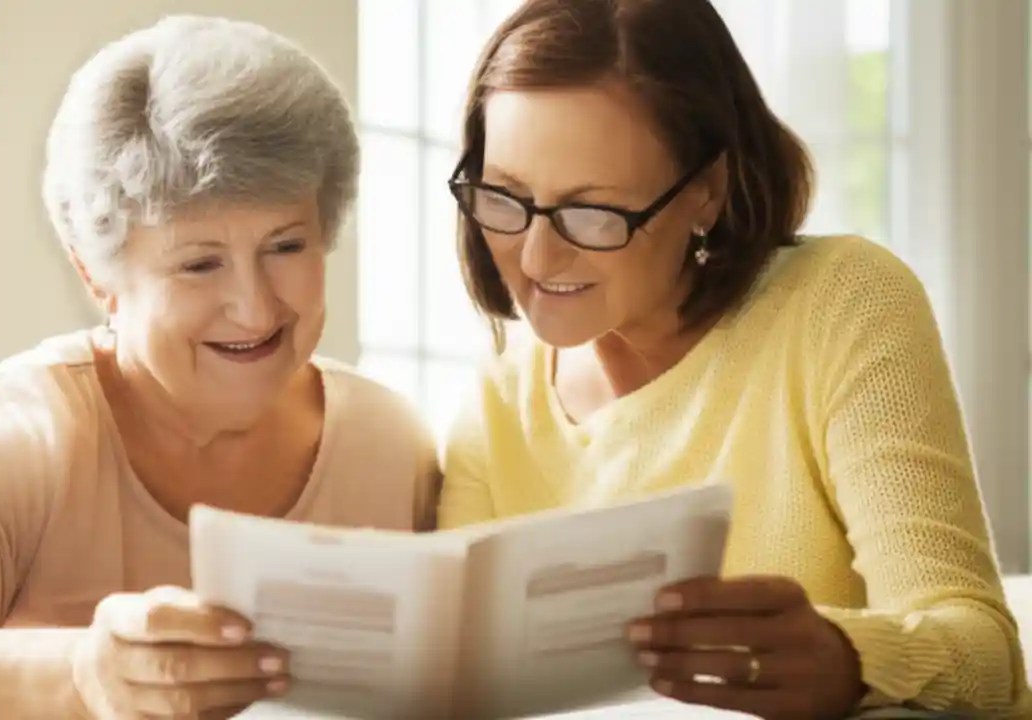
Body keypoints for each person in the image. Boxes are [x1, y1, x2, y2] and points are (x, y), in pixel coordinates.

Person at [0, 16, 438, 720]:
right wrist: (80, 673)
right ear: (97, 276)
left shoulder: (389, 443)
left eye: (287, 246)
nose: (255, 306)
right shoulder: (28, 442)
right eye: (199, 263)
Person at [437, 1, 1030, 718]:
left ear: (706, 192)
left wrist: (848, 662)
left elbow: (988, 663)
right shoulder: (496, 407)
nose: (534, 257)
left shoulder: (840, 302)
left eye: (592, 213)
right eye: (505, 196)